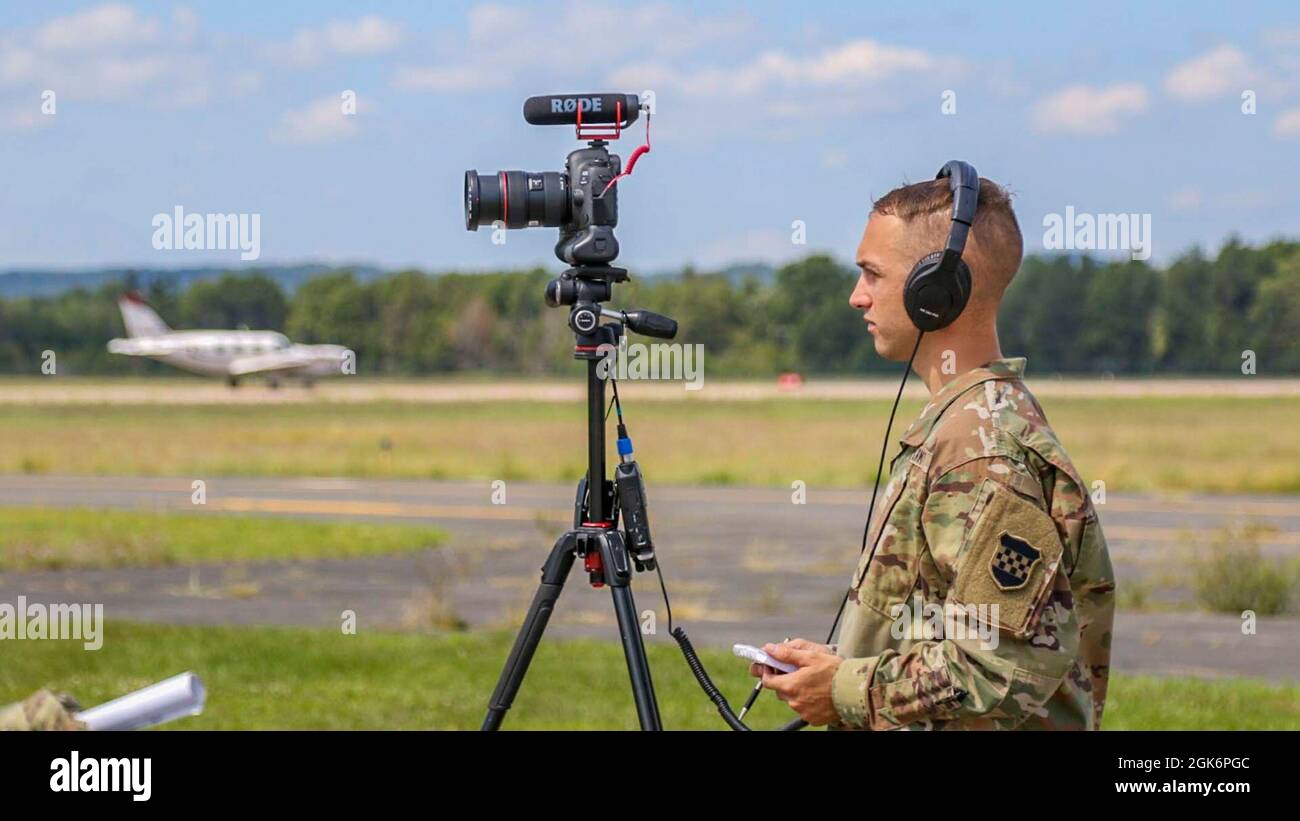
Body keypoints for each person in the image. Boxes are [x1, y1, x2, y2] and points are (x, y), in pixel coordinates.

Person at [751, 169, 1116, 730]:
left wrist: (846, 689)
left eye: (873, 274)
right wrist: (831, 670)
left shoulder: (979, 449)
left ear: (936, 292)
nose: (857, 297)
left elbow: (998, 668)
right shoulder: (963, 422)